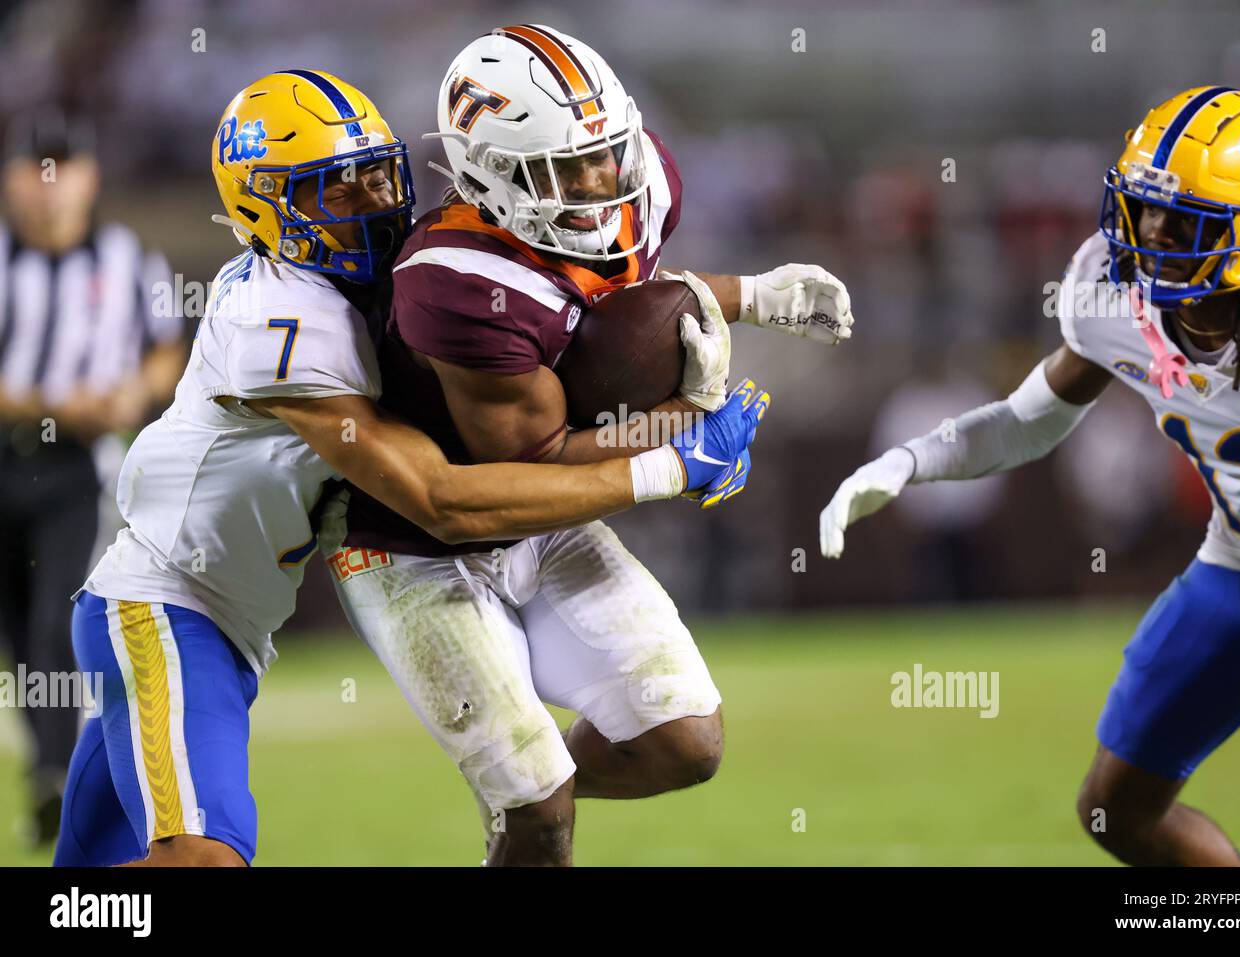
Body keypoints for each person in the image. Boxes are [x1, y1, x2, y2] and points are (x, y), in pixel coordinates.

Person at [53, 70, 764, 867]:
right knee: (202, 862)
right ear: (261, 207)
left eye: (377, 176)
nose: (372, 206)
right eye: (334, 191)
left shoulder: (405, 272)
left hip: (232, 619)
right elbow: (440, 499)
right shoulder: (278, 319)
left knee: (89, 876)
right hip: (165, 601)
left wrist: (718, 331)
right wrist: (666, 464)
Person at [332, 25, 853, 865]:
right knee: (539, 808)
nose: (598, 182)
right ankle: (530, 799)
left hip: (542, 522)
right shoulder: (456, 281)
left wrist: (753, 294)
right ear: (485, 174)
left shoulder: (635, 184)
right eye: (565, 169)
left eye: (605, 153)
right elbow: (530, 461)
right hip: (417, 546)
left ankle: (528, 790)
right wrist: (683, 430)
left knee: (684, 742)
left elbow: (623, 307)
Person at [821, 86, 1240, 865]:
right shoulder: (1111, 296)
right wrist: (910, 459)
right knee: (1115, 812)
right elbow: (1026, 420)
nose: (1152, 233)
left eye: (1185, 220)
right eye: (1145, 208)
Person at [0, 108, 184, 846]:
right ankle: (51, 765)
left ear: (90, 176)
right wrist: (50, 402)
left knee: (56, 617)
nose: (49, 186)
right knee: (20, 632)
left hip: (74, 467)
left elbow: (168, 347)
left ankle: (59, 774)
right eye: (35, 168)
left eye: (63, 167)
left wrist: (132, 395)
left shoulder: (127, 258)